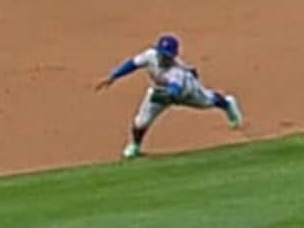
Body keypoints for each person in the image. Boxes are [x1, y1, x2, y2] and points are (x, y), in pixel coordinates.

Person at [94, 32, 243, 159]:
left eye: (168, 56)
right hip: (161, 91)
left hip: (186, 91)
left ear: (173, 56)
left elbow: (174, 90)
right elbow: (132, 64)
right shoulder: (149, 55)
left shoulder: (177, 71)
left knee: (208, 101)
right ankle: (135, 146)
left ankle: (228, 103)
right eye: (163, 54)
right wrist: (113, 76)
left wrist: (168, 95)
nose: (165, 58)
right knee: (140, 122)